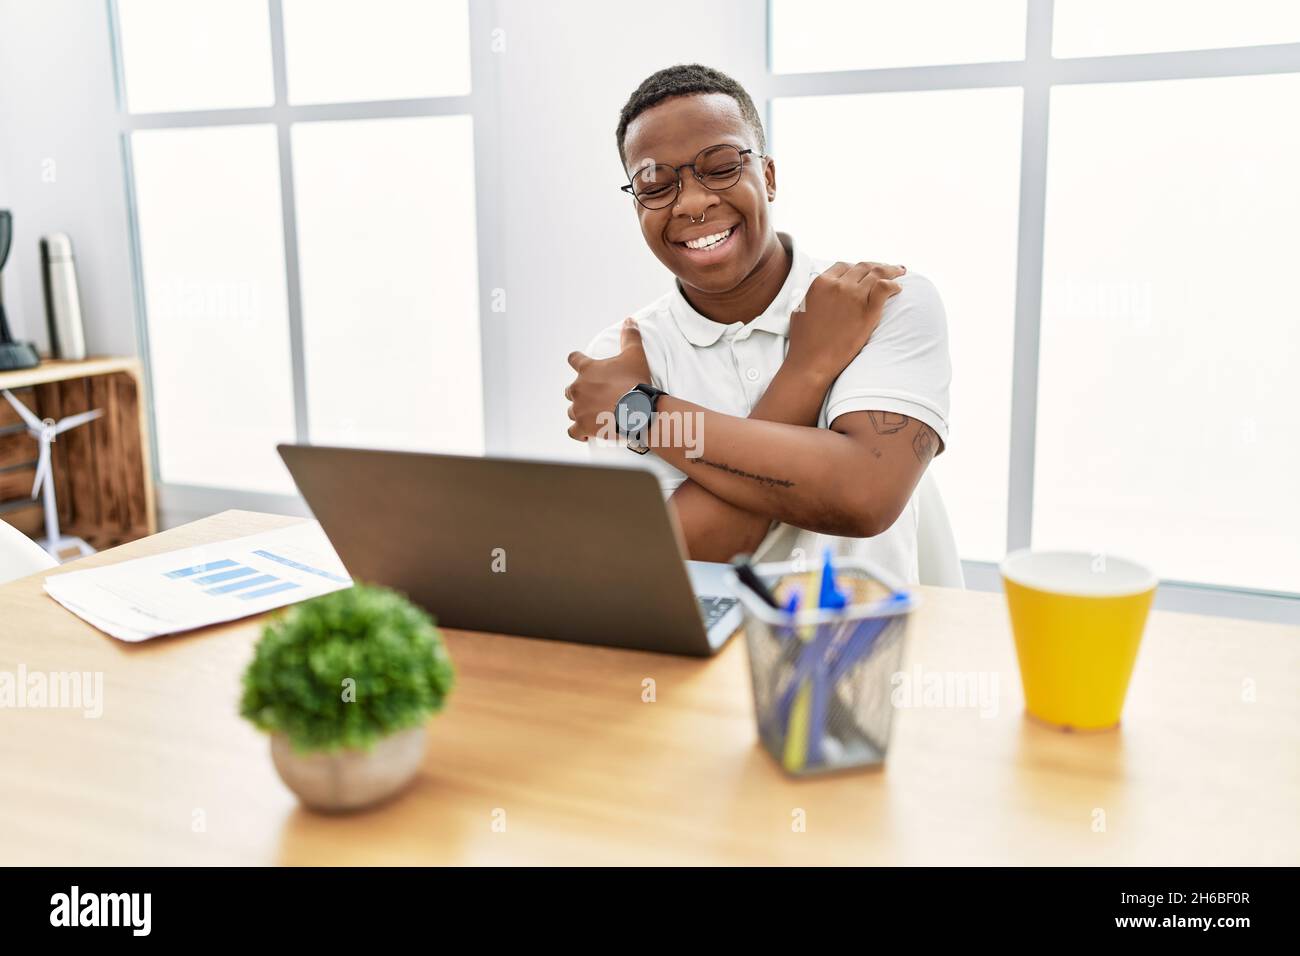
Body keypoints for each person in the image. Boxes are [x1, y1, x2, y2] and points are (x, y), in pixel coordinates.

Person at [564, 64, 951, 583]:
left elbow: (864, 497)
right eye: (656, 184)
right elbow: (672, 560)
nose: (694, 203)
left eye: (721, 166)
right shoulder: (619, 354)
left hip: (873, 652)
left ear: (767, 177)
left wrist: (643, 414)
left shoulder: (885, 302)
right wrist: (809, 370)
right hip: (704, 660)